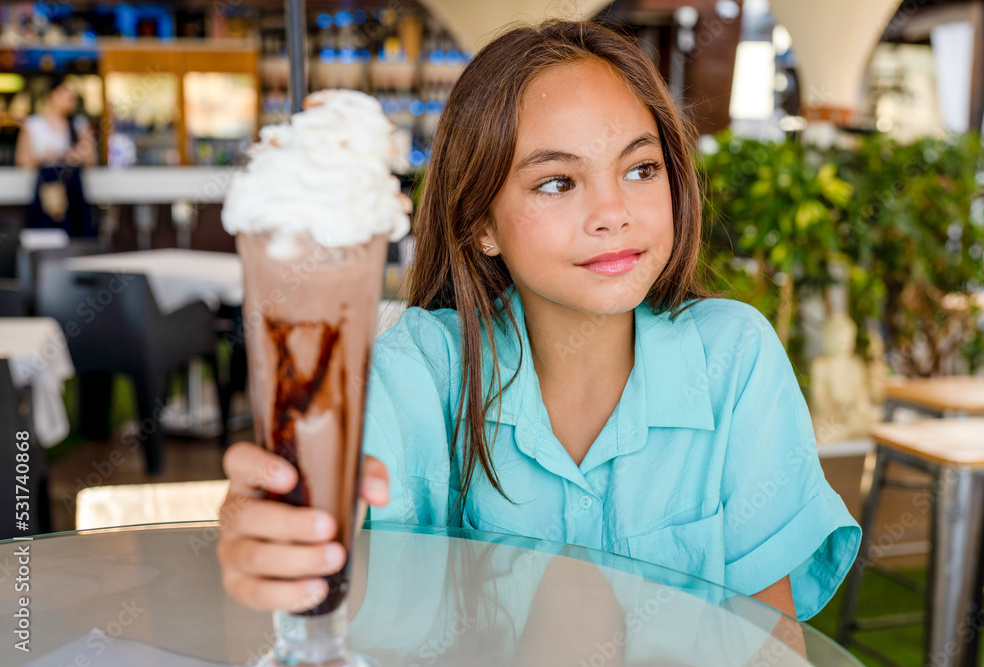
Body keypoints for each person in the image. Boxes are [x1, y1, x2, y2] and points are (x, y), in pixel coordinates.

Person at [217, 19, 861, 629]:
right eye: (557, 182)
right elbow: (332, 500)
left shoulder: (734, 358)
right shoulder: (424, 367)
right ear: (481, 223)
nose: (613, 212)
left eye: (641, 169)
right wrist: (276, 526)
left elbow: (768, 642)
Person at [15, 75, 97, 236]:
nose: (70, 100)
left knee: (76, 232)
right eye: (65, 94)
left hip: (73, 187)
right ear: (51, 96)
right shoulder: (34, 124)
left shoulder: (78, 124)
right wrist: (45, 156)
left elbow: (91, 159)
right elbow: (22, 160)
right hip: (47, 189)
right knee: (47, 232)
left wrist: (77, 154)